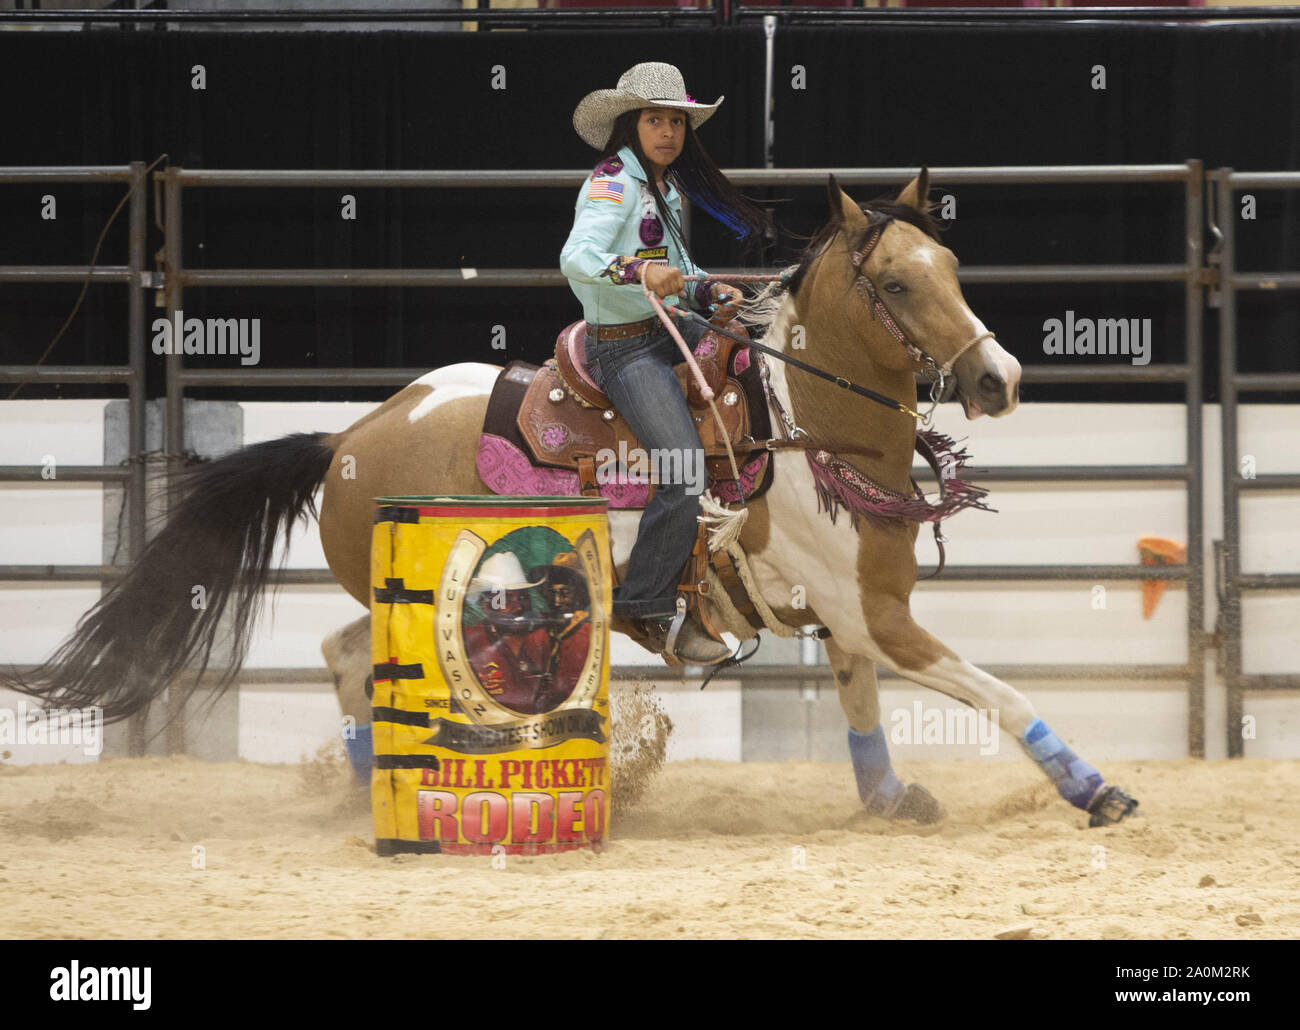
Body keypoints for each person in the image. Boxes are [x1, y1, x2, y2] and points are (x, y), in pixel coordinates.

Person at [560, 61, 774, 664]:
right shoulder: (613, 183)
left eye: (677, 121)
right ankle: (647, 605)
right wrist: (637, 272)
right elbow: (577, 257)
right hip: (625, 347)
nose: (669, 132)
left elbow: (679, 270)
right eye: (655, 119)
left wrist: (708, 292)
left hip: (670, 331)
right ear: (631, 125)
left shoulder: (668, 189)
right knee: (683, 469)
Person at [526, 552, 593, 710]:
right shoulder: (541, 634)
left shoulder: (590, 634)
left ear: (578, 595)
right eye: (553, 593)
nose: (557, 601)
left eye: (564, 594)